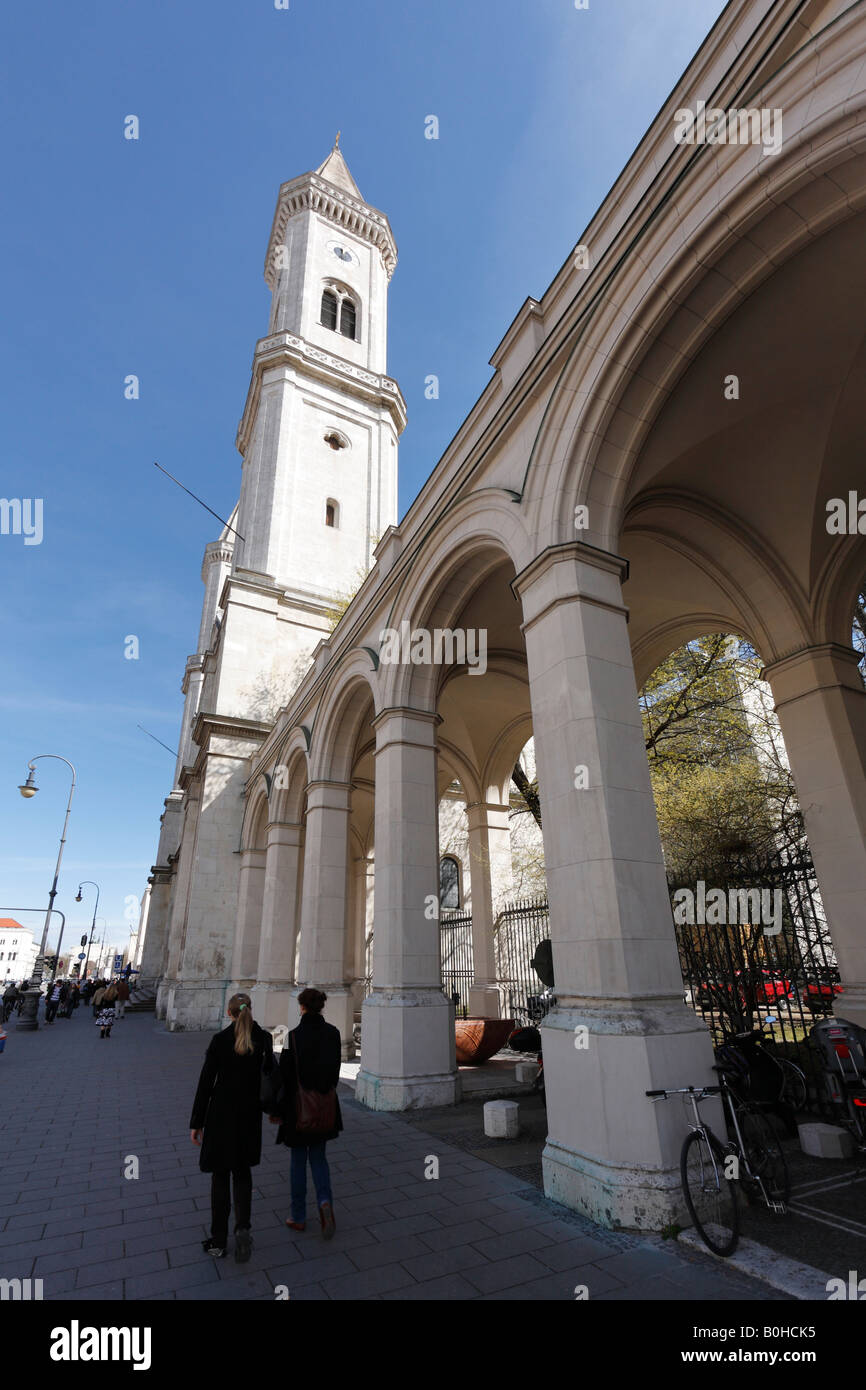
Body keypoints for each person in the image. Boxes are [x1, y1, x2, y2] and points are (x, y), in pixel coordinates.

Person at [189, 993, 274, 1262]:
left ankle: (218, 1240)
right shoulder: (263, 1039)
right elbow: (270, 1077)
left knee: (220, 1177)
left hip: (221, 1115)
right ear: (250, 1009)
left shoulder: (220, 1041)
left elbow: (205, 1084)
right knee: (242, 1173)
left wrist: (196, 1122)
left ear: (229, 1013)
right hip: (249, 1116)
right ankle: (243, 1227)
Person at [271, 987, 341, 1239]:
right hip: (323, 1107)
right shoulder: (333, 1034)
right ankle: (324, 1201)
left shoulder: (293, 1037)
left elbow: (284, 1079)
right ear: (321, 1007)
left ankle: (298, 1216)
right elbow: (335, 1073)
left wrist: (277, 1111)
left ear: (301, 1007)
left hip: (298, 1109)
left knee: (298, 1161)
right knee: (320, 1158)